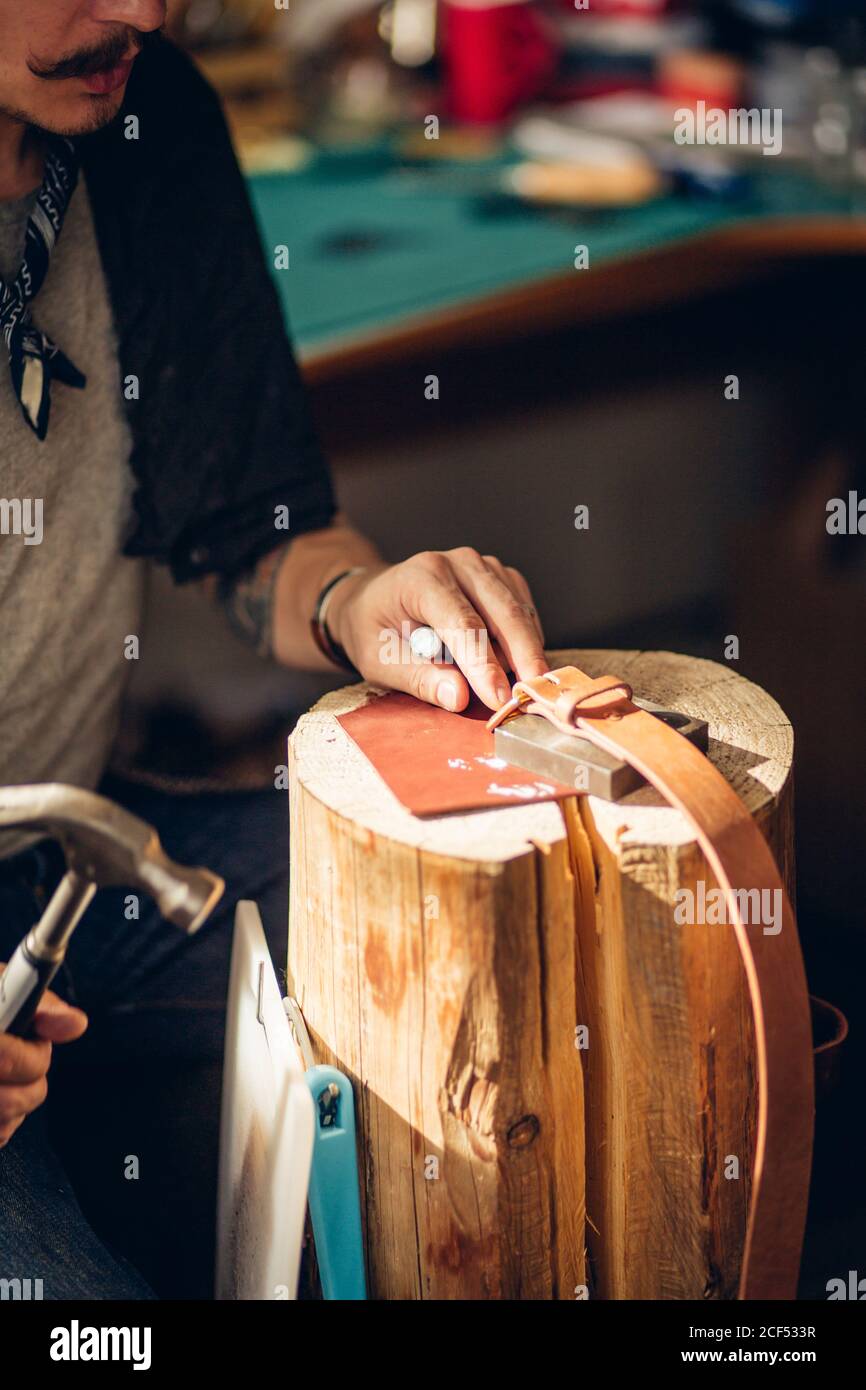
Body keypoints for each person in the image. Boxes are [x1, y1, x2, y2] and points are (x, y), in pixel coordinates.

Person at [0, 3, 547, 1298]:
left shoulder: (145, 111)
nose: (141, 9)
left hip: (77, 856)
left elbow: (250, 521)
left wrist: (358, 595)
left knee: (528, 950)